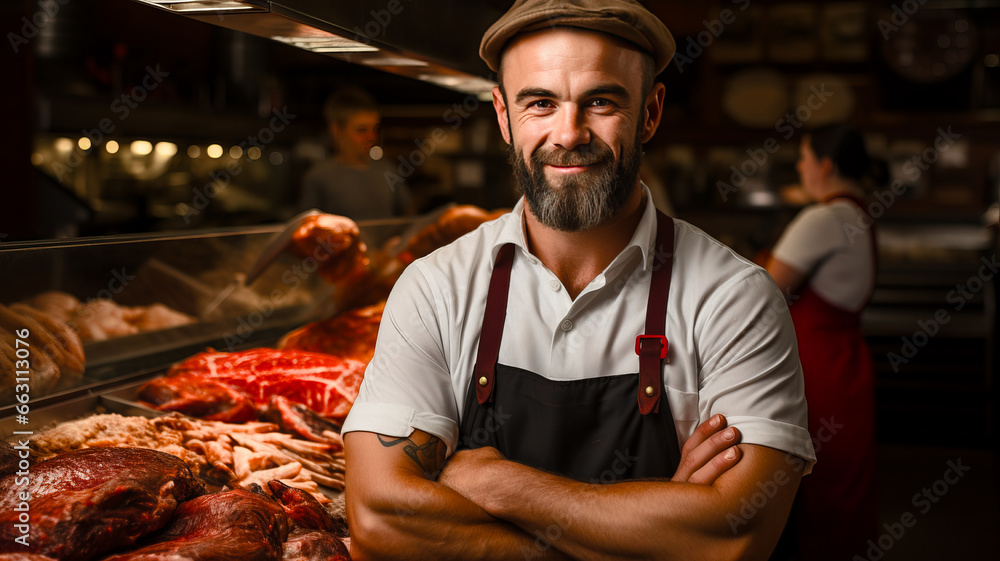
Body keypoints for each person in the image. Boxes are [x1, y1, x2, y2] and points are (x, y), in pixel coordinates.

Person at [342, 1, 816, 559]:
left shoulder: (735, 300)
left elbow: (736, 537)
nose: (568, 134)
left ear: (650, 112)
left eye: (601, 101)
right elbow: (378, 520)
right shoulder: (434, 288)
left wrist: (500, 484)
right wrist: (658, 531)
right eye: (540, 102)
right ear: (502, 114)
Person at [765, 124, 879, 561]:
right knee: (845, 484)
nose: (800, 167)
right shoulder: (857, 212)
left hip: (816, 368)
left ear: (825, 166)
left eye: (804, 158)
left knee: (816, 481)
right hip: (847, 363)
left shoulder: (824, 218)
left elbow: (768, 289)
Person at [299, 86, 413, 220]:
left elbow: (408, 215)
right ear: (337, 130)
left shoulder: (387, 169)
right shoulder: (319, 177)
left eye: (374, 129)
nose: (371, 137)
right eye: (362, 130)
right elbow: (307, 227)